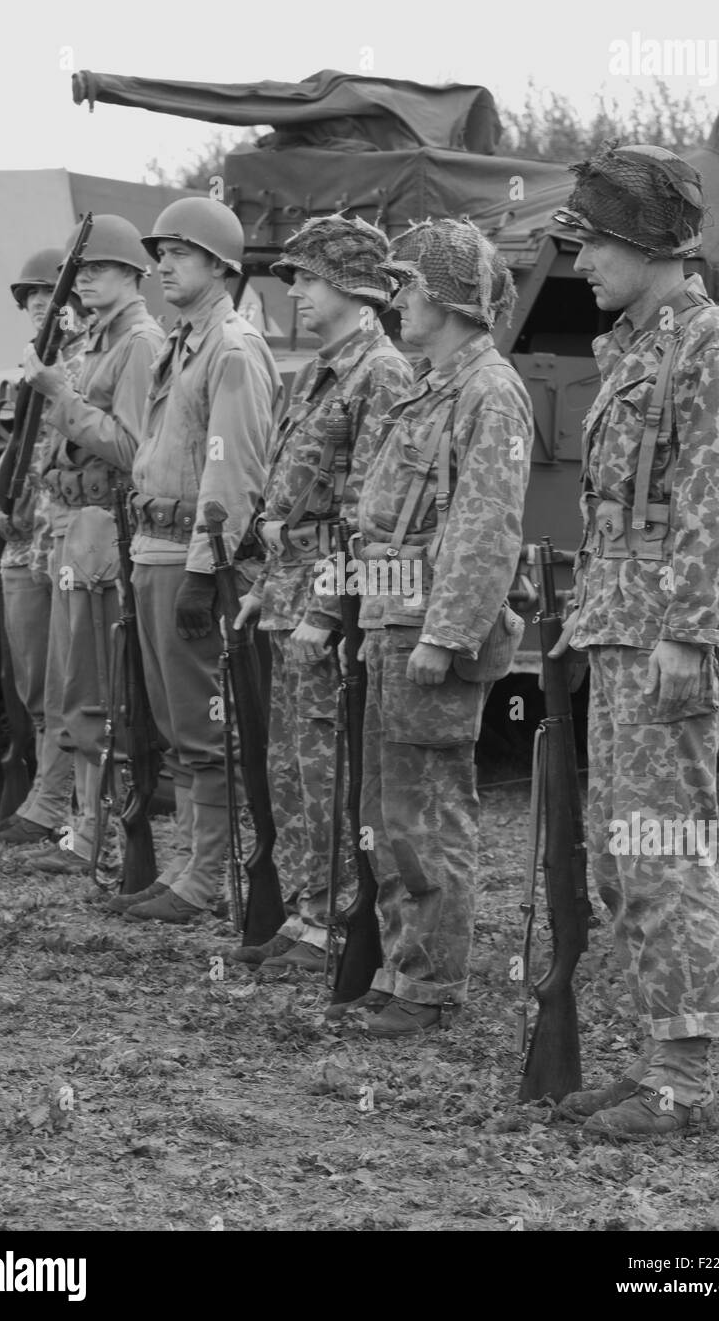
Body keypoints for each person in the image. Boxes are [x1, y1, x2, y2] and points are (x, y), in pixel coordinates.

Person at [549, 143, 719, 1137]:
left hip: (664, 637)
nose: (581, 261)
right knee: (620, 857)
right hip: (618, 626)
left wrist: (688, 634)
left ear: (644, 243)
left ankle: (682, 1080)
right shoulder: (639, 347)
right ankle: (655, 1062)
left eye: (593, 243)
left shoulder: (710, 344)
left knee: (663, 851)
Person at [335, 218, 532, 1037]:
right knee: (389, 812)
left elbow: (487, 525)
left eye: (409, 287)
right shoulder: (435, 385)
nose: (396, 302)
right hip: (393, 621)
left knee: (431, 814)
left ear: (450, 298)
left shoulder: (489, 392)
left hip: (425, 633)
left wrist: (445, 636)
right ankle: (398, 968)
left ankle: (429, 985)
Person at [230, 214, 412, 975]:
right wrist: (267, 589)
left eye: (308, 278)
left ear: (353, 287)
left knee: (327, 765)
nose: (295, 292)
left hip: (327, 608)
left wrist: (327, 609)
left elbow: (368, 512)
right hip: (290, 592)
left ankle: (334, 921)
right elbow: (295, 497)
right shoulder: (317, 371)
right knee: (292, 766)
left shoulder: (381, 374)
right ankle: (308, 911)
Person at [105, 197, 280, 924]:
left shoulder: (231, 349)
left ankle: (207, 875)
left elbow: (232, 470)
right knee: (174, 724)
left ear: (219, 265)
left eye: (180, 254)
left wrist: (206, 573)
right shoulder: (181, 343)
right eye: (162, 255)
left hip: (191, 555)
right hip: (155, 548)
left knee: (207, 728)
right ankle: (190, 863)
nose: (164, 266)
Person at [20, 216, 165, 876]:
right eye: (80, 271)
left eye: (99, 268)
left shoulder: (137, 342)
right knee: (75, 684)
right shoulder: (105, 340)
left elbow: (133, 448)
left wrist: (60, 395)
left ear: (134, 273)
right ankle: (85, 828)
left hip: (108, 525)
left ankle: (102, 832)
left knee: (102, 688)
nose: (84, 281)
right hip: (81, 526)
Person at [0, 249, 83, 846]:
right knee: (33, 686)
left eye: (51, 293)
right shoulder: (31, 364)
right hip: (22, 541)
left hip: (63, 540)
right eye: (32, 296)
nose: (42, 303)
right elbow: (22, 446)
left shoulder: (82, 364)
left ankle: (58, 806)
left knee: (69, 684)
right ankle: (40, 800)